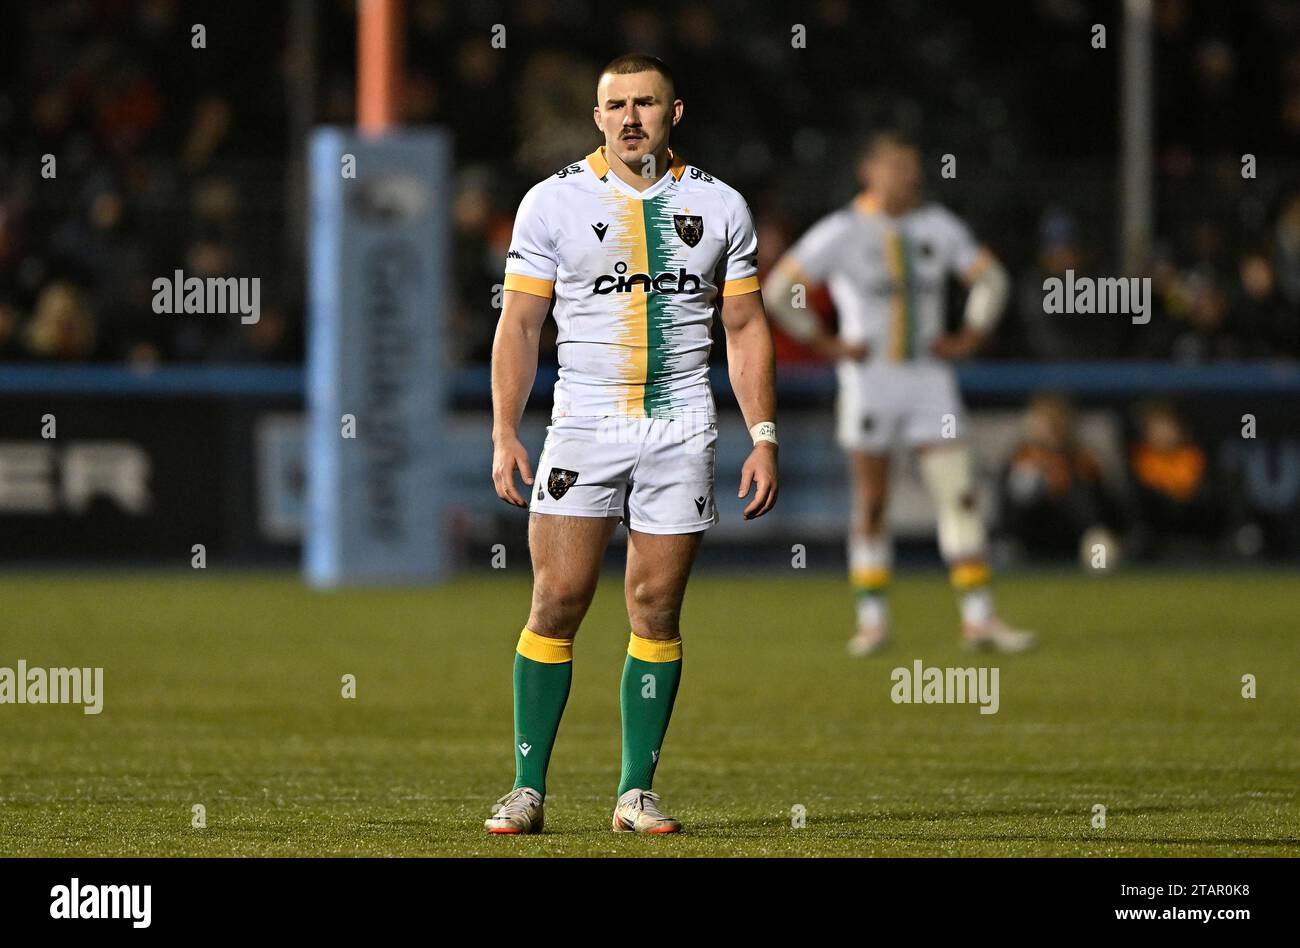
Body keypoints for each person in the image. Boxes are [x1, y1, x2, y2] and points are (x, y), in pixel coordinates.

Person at [486, 54, 779, 834]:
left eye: (645, 103)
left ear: (673, 113)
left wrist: (764, 436)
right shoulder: (552, 202)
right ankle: (526, 788)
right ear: (596, 116)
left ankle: (635, 793)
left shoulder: (721, 206)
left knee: (655, 606)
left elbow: (745, 327)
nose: (630, 118)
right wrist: (504, 430)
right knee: (557, 600)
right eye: (615, 105)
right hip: (584, 422)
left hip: (682, 425)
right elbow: (518, 324)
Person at [764, 131, 1033, 655]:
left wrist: (972, 335)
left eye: (912, 167)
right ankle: (872, 621)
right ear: (869, 172)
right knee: (871, 501)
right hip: (870, 384)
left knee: (957, 494)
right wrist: (826, 343)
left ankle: (979, 619)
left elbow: (992, 280)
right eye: (896, 167)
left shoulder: (938, 226)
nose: (908, 177)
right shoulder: (841, 231)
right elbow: (780, 290)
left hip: (930, 380)